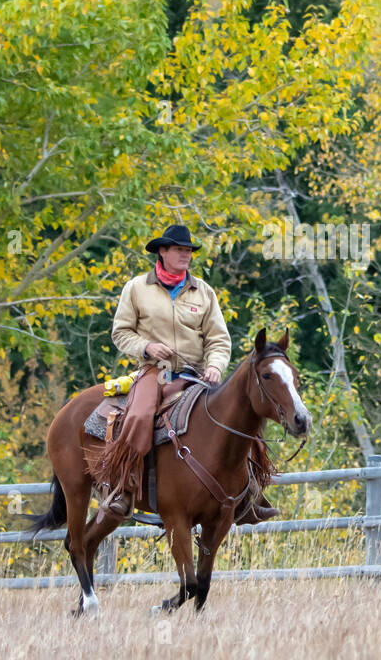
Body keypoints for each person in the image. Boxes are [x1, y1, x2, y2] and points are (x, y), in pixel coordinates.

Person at [105, 224, 279, 523]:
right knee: (138, 415)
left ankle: (250, 494)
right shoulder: (136, 288)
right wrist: (146, 347)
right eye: (179, 250)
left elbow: (219, 339)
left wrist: (214, 365)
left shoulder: (203, 291)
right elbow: (121, 333)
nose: (186, 255)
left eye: (188, 251)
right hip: (154, 372)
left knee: (244, 417)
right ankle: (124, 489)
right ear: (162, 251)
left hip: (198, 374)